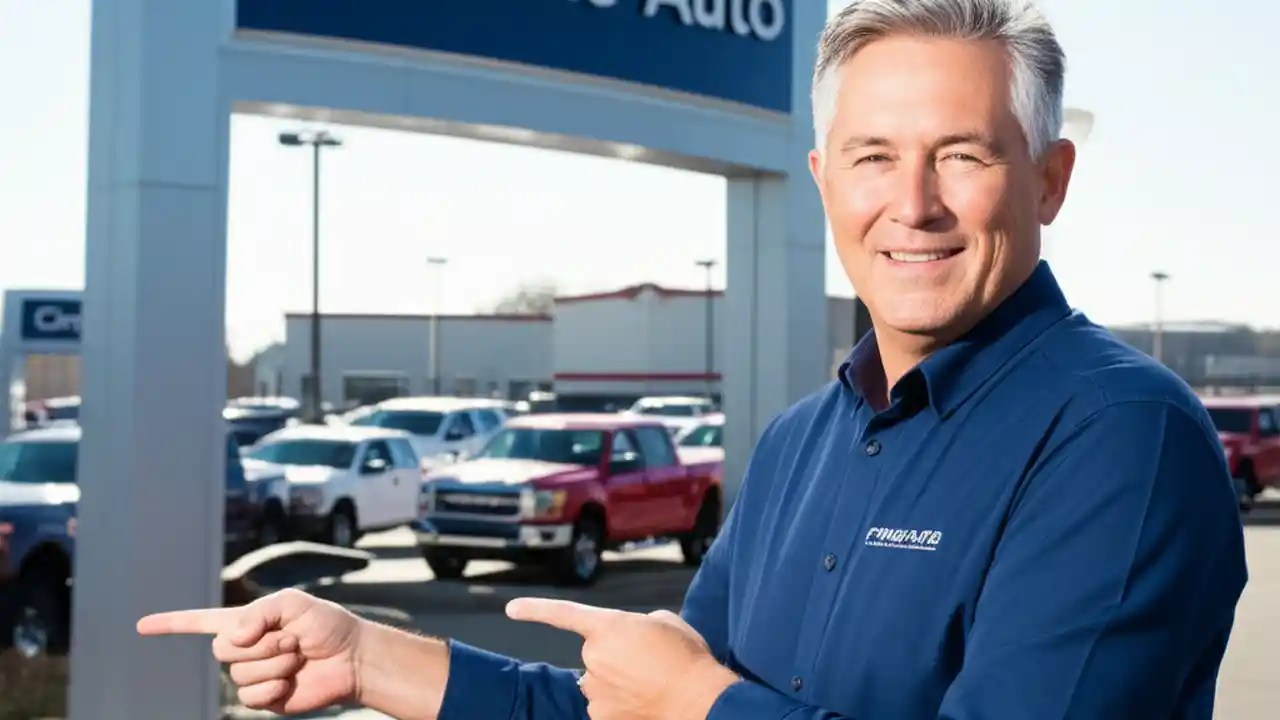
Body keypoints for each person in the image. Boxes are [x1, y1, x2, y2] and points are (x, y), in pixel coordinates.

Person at [138, 1, 1249, 718]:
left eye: (958, 155)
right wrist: (371, 656)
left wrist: (702, 708)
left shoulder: (1118, 437)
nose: (909, 205)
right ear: (822, 178)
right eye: (871, 157)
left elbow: (685, 701)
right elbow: (637, 697)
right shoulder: (800, 440)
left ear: (1047, 180)